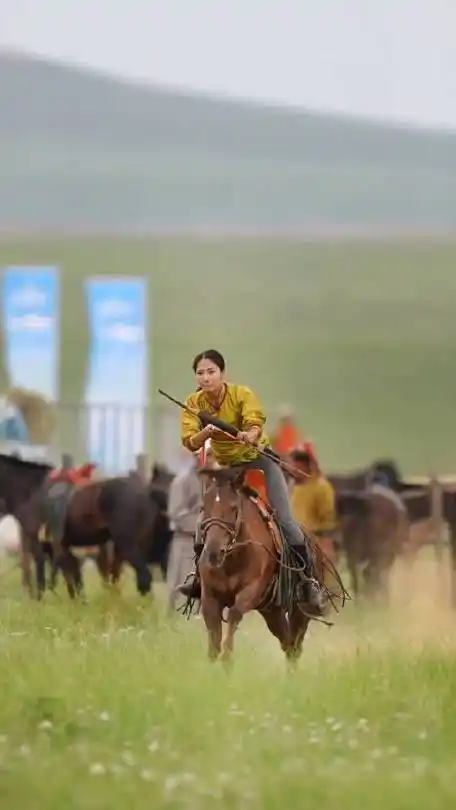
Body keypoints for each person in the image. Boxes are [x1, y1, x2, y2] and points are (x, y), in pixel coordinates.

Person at [175, 349, 327, 613]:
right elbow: (190, 441)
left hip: (259, 464)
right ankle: (199, 580)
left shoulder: (242, 394)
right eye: (201, 373)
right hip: (228, 469)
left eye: (211, 372)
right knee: (205, 521)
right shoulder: (193, 403)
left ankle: (307, 582)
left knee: (287, 521)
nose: (206, 377)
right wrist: (206, 433)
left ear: (222, 373)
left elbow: (255, 422)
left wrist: (250, 435)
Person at [167, 452, 203, 614]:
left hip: (210, 544)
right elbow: (176, 513)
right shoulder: (181, 482)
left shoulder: (216, 482)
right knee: (182, 583)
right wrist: (202, 523)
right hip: (186, 542)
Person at [289, 444, 337, 562]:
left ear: (309, 465)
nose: (294, 466)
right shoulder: (292, 487)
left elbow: (328, 523)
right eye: (294, 461)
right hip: (293, 544)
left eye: (300, 462)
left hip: (316, 546)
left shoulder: (322, 487)